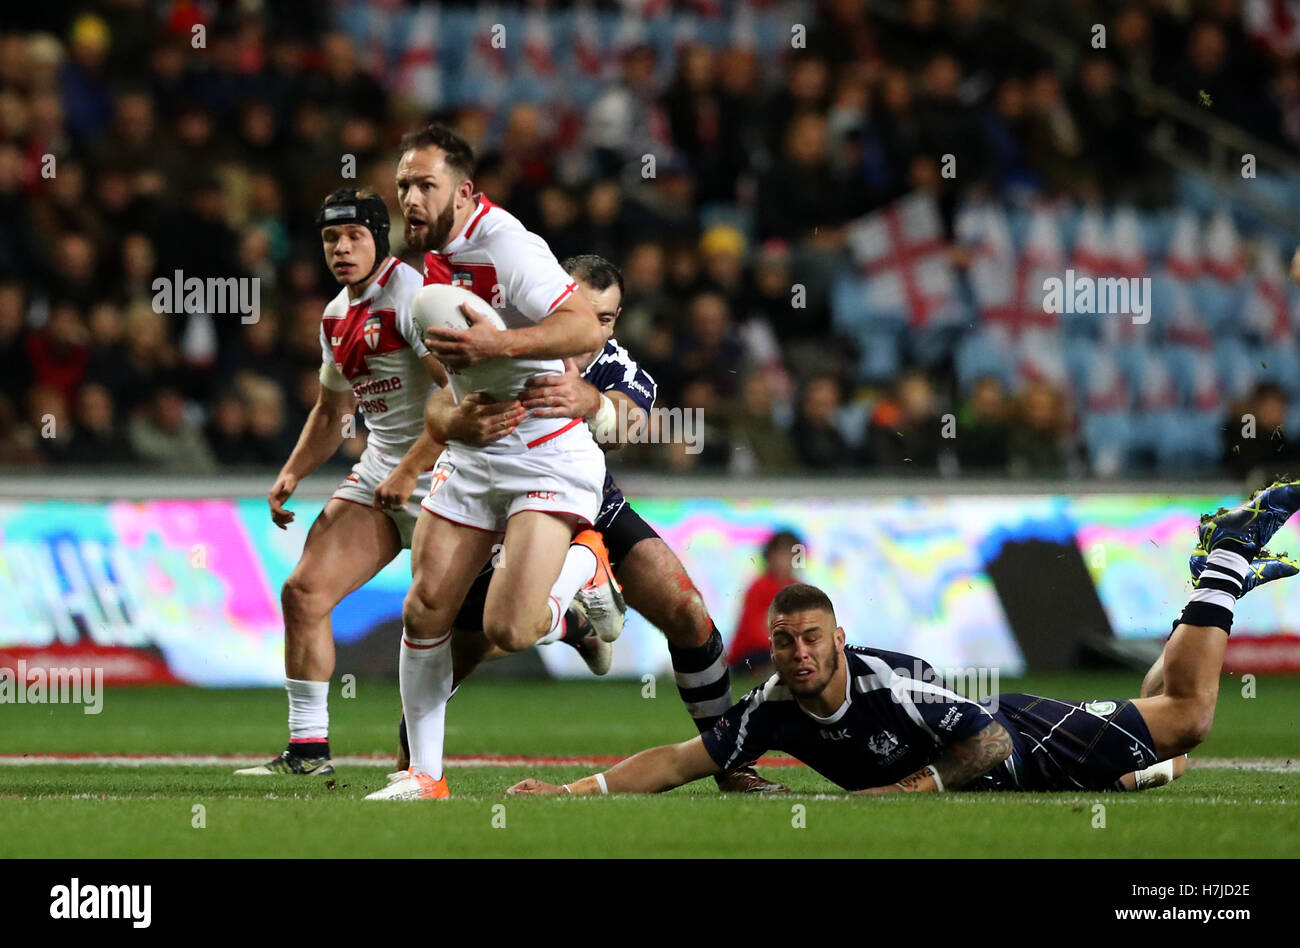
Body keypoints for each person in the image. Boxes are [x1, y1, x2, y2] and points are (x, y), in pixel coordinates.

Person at [507, 481, 1300, 796]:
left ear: (840, 637)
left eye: (811, 639)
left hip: (1021, 741)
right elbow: (680, 761)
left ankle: (1226, 556)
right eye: (785, 643)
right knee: (1163, 727)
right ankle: (1208, 582)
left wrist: (902, 795)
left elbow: (986, 742)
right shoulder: (774, 706)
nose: (798, 655)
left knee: (1188, 720)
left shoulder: (890, 686)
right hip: (1004, 759)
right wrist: (573, 794)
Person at [405, 254, 786, 793]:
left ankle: (728, 761)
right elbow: (439, 409)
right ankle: (565, 628)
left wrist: (591, 402)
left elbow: (627, 420)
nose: (594, 331)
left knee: (685, 607)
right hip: (496, 513)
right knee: (477, 642)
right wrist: (456, 421)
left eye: (608, 319)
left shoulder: (618, 367)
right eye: (585, 313)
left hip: (588, 509)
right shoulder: (504, 340)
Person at [366, 124, 615, 801]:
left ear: (464, 192)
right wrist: (455, 422)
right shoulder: (419, 268)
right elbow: (439, 408)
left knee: (506, 627)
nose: (410, 199)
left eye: (425, 186)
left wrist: (499, 346)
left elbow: (582, 326)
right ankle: (425, 777)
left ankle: (584, 567)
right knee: (425, 608)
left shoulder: (507, 243)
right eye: (402, 187)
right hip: (477, 455)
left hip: (544, 452)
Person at [235, 188, 446, 777]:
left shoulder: (417, 300)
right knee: (303, 593)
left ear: (381, 237)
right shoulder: (335, 315)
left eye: (354, 235)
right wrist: (294, 470)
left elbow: (460, 397)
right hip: (381, 475)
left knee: (490, 623)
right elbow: (332, 413)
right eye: (331, 238)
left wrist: (413, 469)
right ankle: (307, 751)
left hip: (447, 479)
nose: (342, 248)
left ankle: (572, 605)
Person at [728, 529, 803, 674]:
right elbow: (753, 633)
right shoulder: (758, 587)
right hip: (752, 654)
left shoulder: (799, 589)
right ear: (769, 556)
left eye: (789, 555)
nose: (784, 561)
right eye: (780, 555)